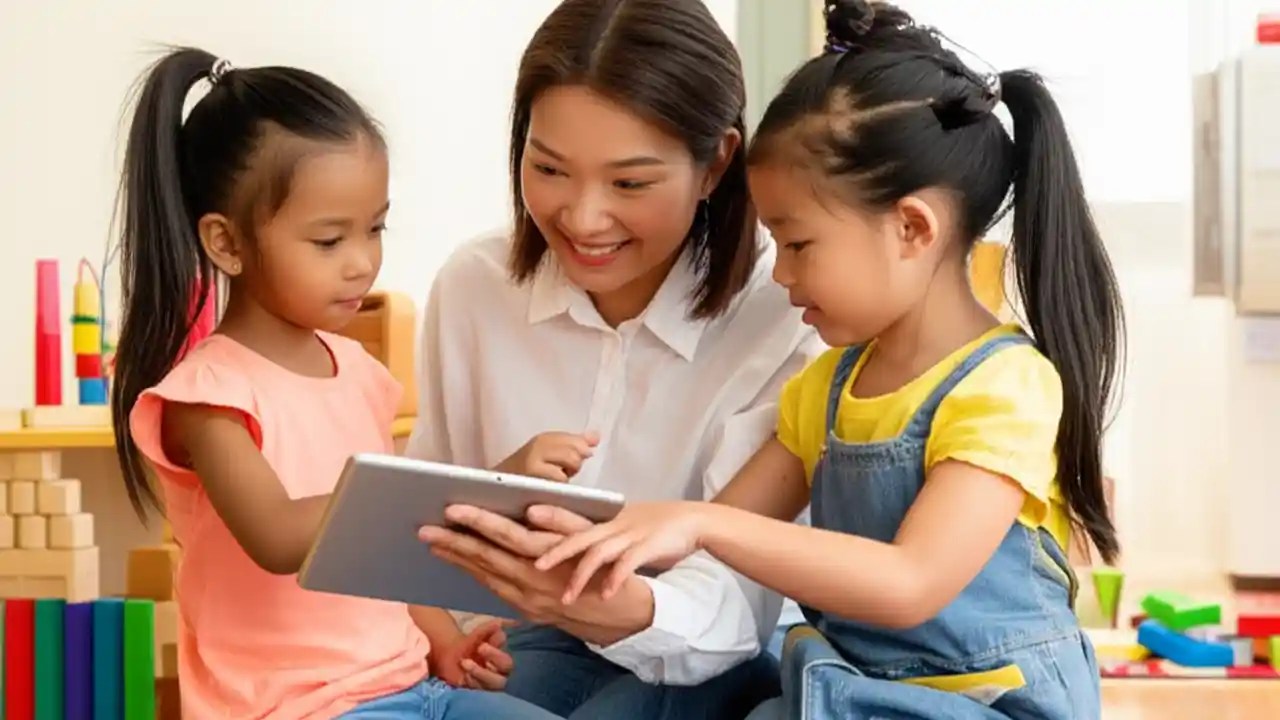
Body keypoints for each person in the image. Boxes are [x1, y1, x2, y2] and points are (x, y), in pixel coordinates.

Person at [532, 1, 1123, 718]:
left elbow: (910, 583)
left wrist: (698, 522)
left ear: (911, 227)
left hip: (986, 704)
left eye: (800, 244)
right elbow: (705, 542)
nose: (780, 276)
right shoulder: (825, 390)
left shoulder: (1004, 388)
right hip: (859, 693)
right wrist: (584, 543)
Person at [109, 47, 563, 720]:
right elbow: (278, 537)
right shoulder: (208, 397)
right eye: (328, 241)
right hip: (295, 706)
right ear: (226, 243)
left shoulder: (359, 374)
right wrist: (484, 483)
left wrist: (443, 641)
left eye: (375, 228)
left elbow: (378, 550)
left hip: (407, 686)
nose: (362, 263)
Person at [408, 1, 821, 717]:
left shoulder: (789, 311)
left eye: (629, 183)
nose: (583, 217)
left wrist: (618, 604)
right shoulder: (475, 288)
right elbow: (424, 531)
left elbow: (741, 604)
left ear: (716, 162)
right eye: (549, 168)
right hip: (518, 647)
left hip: (720, 651)